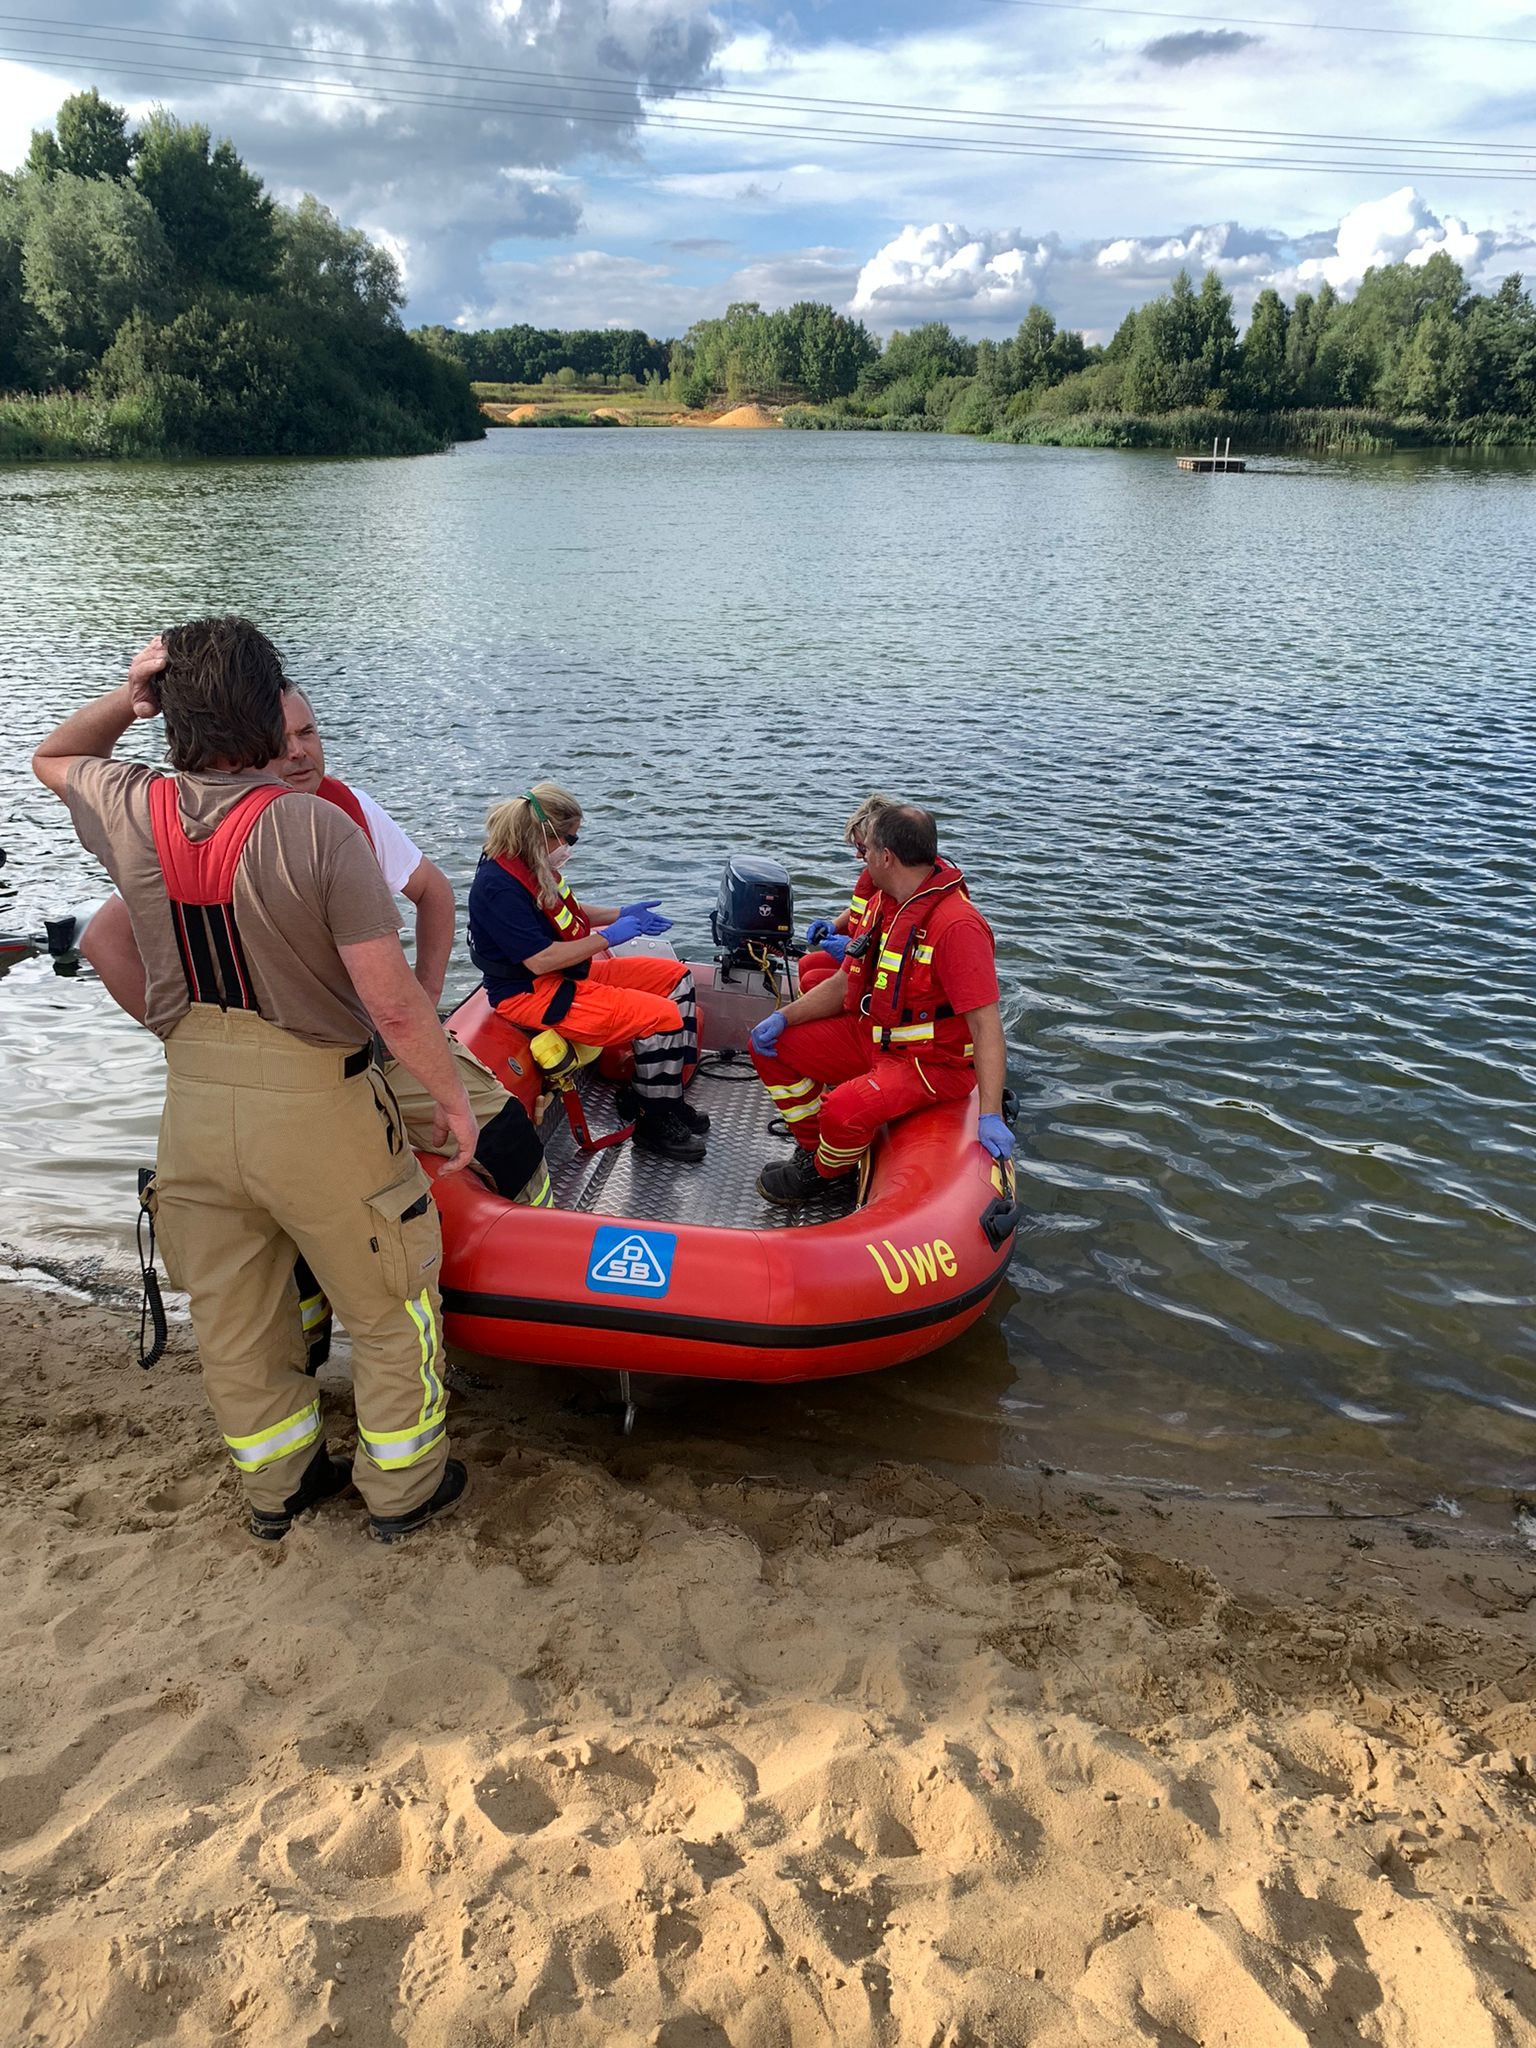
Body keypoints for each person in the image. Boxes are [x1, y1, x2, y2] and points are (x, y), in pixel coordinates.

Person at [32, 618, 477, 1544]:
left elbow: (55, 755)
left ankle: (280, 1489)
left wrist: (130, 691)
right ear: (271, 724)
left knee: (237, 1320)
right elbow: (392, 1005)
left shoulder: (129, 803)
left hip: (192, 1103)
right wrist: (448, 1097)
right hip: (316, 1104)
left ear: (171, 717)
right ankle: (404, 1494)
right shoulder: (317, 829)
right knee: (393, 1304)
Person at [749, 804, 1014, 1203]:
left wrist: (989, 1113)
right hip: (876, 1036)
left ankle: (829, 1175)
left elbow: (985, 1026)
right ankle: (816, 1150)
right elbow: (845, 983)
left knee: (844, 1107)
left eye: (867, 851)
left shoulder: (957, 926)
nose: (863, 859)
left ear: (886, 857)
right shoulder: (889, 904)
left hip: (930, 1063)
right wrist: (784, 1018)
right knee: (767, 1047)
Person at [467, 783, 708, 1165]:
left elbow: (569, 914)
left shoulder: (531, 864)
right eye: (570, 838)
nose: (572, 847)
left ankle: (662, 1098)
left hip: (567, 975)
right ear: (545, 833)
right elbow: (540, 960)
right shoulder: (498, 886)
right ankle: (653, 1123)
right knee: (662, 1017)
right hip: (531, 993)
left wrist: (621, 913)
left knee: (677, 980)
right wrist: (608, 938)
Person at [797, 792, 892, 992]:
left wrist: (854, 951)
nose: (858, 855)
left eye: (862, 847)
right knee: (807, 964)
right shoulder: (875, 875)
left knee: (813, 979)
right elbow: (866, 909)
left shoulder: (896, 881)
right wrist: (834, 925)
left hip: (878, 968)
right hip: (860, 952)